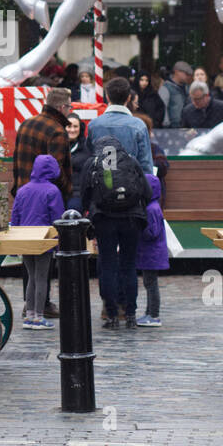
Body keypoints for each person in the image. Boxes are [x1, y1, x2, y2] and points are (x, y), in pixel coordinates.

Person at [79, 131, 150, 329]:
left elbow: (84, 193)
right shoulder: (131, 161)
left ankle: (111, 315)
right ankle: (130, 314)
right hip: (131, 219)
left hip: (104, 219)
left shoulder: (93, 163)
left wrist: (90, 211)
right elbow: (147, 191)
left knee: (107, 265)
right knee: (128, 266)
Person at [9, 154, 64, 330]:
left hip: (25, 239)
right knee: (42, 278)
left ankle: (30, 315)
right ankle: (39, 316)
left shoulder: (23, 190)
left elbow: (15, 216)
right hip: (44, 240)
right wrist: (59, 242)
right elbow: (58, 219)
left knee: (31, 277)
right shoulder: (53, 191)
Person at [11, 87, 72, 199]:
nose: (70, 111)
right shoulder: (57, 131)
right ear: (62, 107)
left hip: (23, 192)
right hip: (45, 198)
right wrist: (67, 188)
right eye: (70, 107)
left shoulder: (26, 123)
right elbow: (55, 171)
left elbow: (16, 161)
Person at [87, 77, 154, 174]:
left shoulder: (93, 125)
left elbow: (89, 158)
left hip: (100, 183)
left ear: (107, 97)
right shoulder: (138, 125)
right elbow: (145, 164)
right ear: (129, 98)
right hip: (131, 184)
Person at [136, 174, 168, 326]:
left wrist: (138, 228)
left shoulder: (150, 209)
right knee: (150, 284)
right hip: (151, 254)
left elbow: (151, 232)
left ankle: (153, 315)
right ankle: (149, 313)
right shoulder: (153, 206)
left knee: (151, 284)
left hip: (151, 254)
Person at [65, 112, 91, 211]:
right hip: (58, 192)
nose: (72, 130)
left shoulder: (86, 147)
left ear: (80, 128)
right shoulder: (56, 146)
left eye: (75, 126)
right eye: (69, 126)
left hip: (77, 193)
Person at [163, 62, 193, 127]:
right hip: (172, 127)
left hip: (187, 126)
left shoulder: (188, 88)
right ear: (176, 72)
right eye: (186, 74)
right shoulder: (166, 87)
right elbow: (163, 108)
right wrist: (166, 126)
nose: (188, 76)